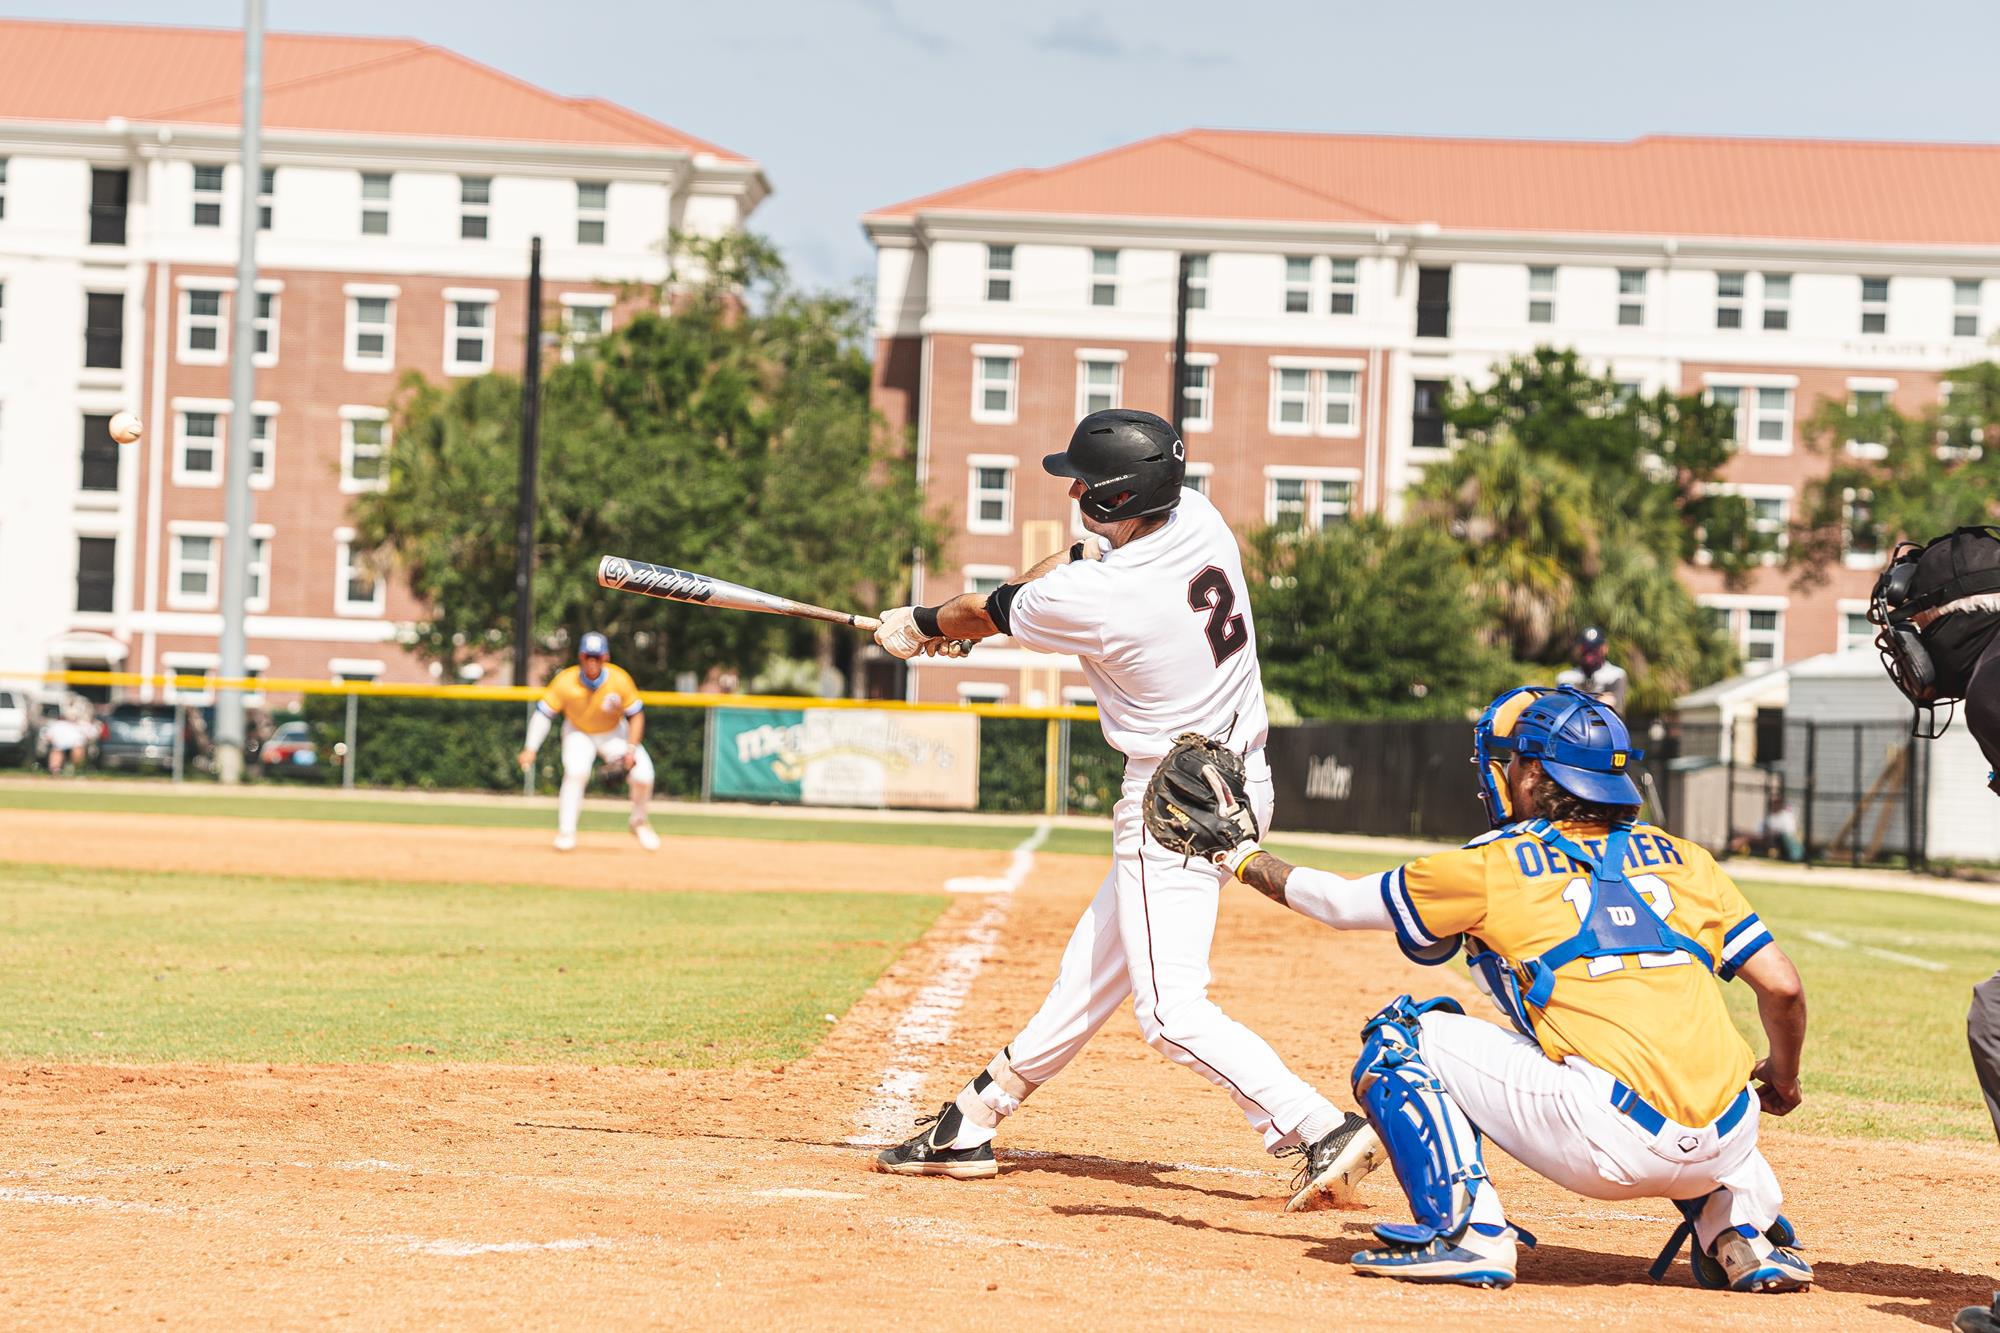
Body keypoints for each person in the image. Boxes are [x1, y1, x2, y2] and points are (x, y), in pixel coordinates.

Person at [868, 408, 1380, 1209]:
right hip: (1243, 778)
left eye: (1083, 482)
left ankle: (1319, 1126)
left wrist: (924, 624)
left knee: (1170, 1011)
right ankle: (972, 1119)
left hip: (1170, 806)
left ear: (1116, 496)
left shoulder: (1102, 599)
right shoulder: (1199, 517)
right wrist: (980, 620)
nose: (1072, 490)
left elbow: (997, 605)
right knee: (1092, 969)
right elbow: (1059, 572)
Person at [1167, 685, 1812, 1292]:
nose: (1505, 773)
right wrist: (1783, 1079)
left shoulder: (1493, 861)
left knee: (1404, 1037)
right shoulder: (1687, 858)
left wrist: (1241, 858)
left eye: (1513, 763)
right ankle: (1740, 1234)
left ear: (1535, 777)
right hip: (1731, 1138)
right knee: (1677, 1060)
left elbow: (1338, 903)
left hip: (1609, 1142)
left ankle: (1468, 1233)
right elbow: (1782, 988)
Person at [517, 632, 660, 853]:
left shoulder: (619, 679)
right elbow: (544, 714)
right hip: (578, 731)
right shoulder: (566, 680)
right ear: (580, 657)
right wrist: (530, 747)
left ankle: (638, 822)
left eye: (597, 656)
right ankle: (566, 832)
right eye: (587, 656)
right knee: (576, 772)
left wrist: (630, 750)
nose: (592, 661)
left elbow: (636, 715)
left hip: (614, 732)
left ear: (606, 658)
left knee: (644, 776)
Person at [1556, 626, 1629, 712]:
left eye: (1595, 647)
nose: (1590, 652)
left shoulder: (1616, 675)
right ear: (1579, 648)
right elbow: (1560, 709)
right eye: (1585, 647)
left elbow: (1615, 710)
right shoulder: (1565, 678)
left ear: (1605, 648)